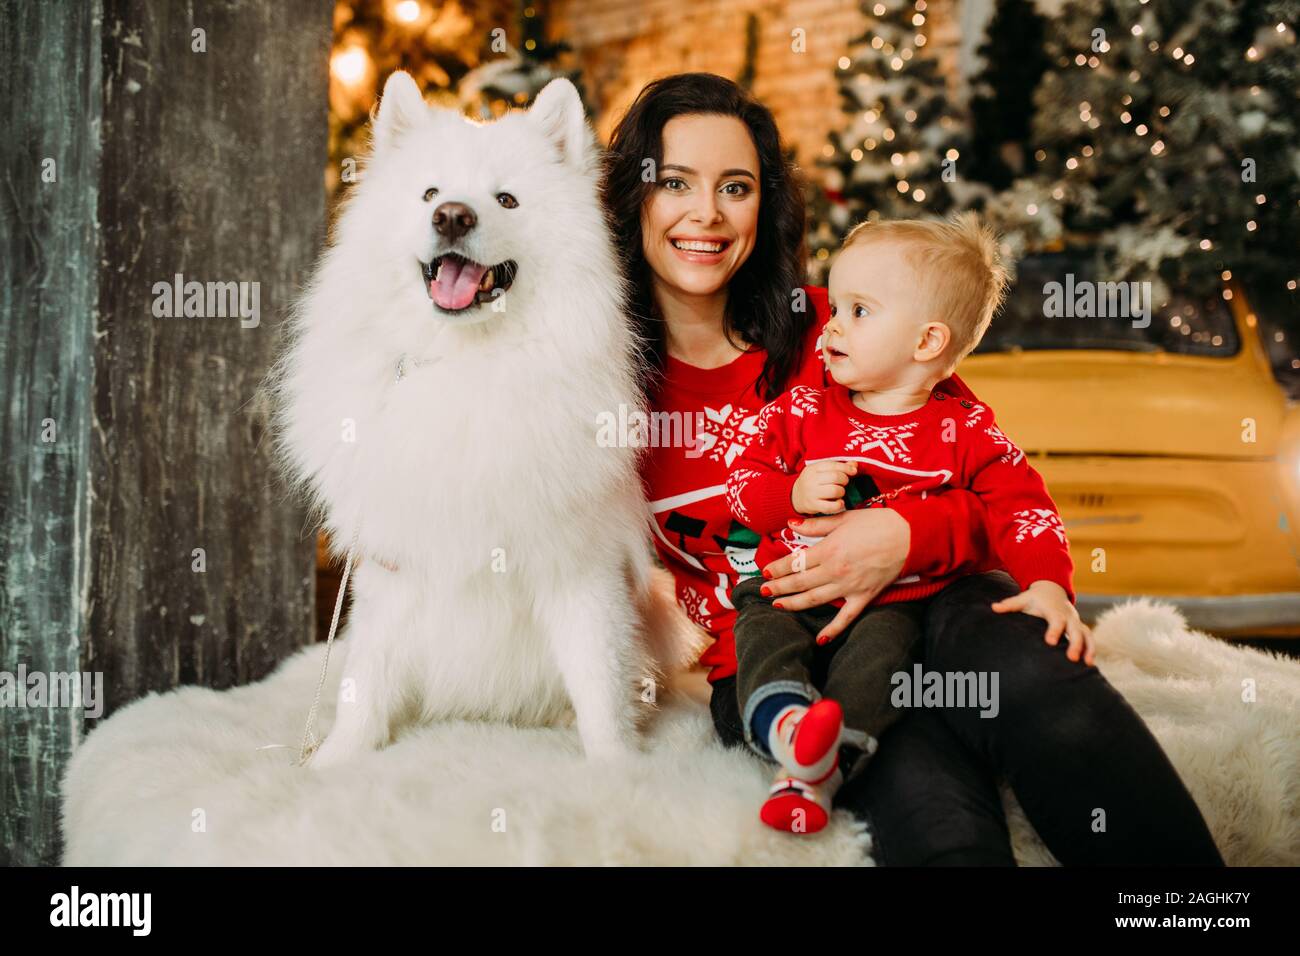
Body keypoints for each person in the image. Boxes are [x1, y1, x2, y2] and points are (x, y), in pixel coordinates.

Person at [602, 71, 1224, 865]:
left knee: (1036, 675)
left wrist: (905, 532)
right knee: (929, 809)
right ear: (633, 197)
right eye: (675, 183)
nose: (707, 214)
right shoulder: (603, 383)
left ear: (766, 205)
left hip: (942, 602)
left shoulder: (836, 322)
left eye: (736, 186)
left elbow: (984, 474)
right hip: (792, 652)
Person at [725, 213, 1090, 833]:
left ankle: (822, 763)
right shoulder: (803, 408)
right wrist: (790, 492)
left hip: (892, 603)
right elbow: (741, 487)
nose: (832, 324)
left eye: (859, 311)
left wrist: (1049, 585)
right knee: (759, 634)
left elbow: (1023, 507)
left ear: (926, 344)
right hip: (790, 585)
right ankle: (786, 722)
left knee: (883, 662)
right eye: (835, 304)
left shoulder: (964, 430)